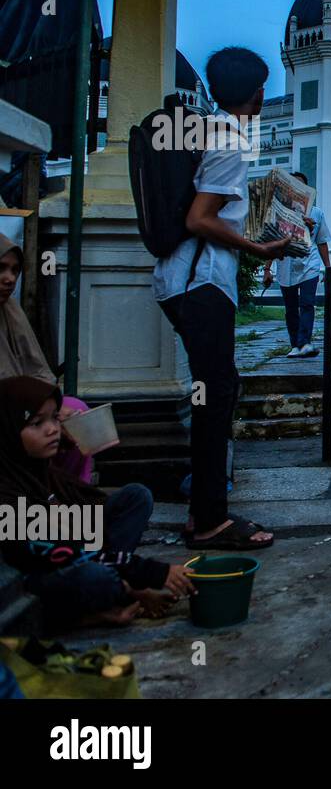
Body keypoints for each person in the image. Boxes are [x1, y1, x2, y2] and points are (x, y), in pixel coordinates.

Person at [154, 47, 286, 551]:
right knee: (216, 395)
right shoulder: (229, 139)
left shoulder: (206, 129)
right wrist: (258, 247)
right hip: (201, 283)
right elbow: (200, 219)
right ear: (257, 93)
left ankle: (203, 511)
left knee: (215, 391)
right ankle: (210, 520)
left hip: (180, 279)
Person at [0, 376, 194, 629]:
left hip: (72, 553)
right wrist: (148, 576)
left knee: (136, 497)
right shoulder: (7, 492)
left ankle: (117, 577)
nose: (52, 430)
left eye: (55, 419)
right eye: (36, 423)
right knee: (95, 578)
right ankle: (106, 597)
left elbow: (79, 517)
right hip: (34, 581)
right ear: (8, 432)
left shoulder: (37, 469)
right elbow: (62, 553)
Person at [1, 233, 96, 485]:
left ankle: (69, 492)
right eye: (1, 269)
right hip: (6, 411)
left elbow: (36, 372)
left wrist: (53, 408)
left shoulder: (10, 311)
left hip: (23, 404)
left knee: (77, 413)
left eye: (14, 270)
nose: (9, 279)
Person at [262, 172, 331, 357]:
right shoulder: (278, 213)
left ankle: (304, 342)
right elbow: (272, 242)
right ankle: (295, 344)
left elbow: (322, 241)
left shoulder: (316, 213)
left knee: (307, 303)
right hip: (285, 265)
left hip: (309, 264)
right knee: (291, 308)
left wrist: (328, 268)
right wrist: (267, 269)